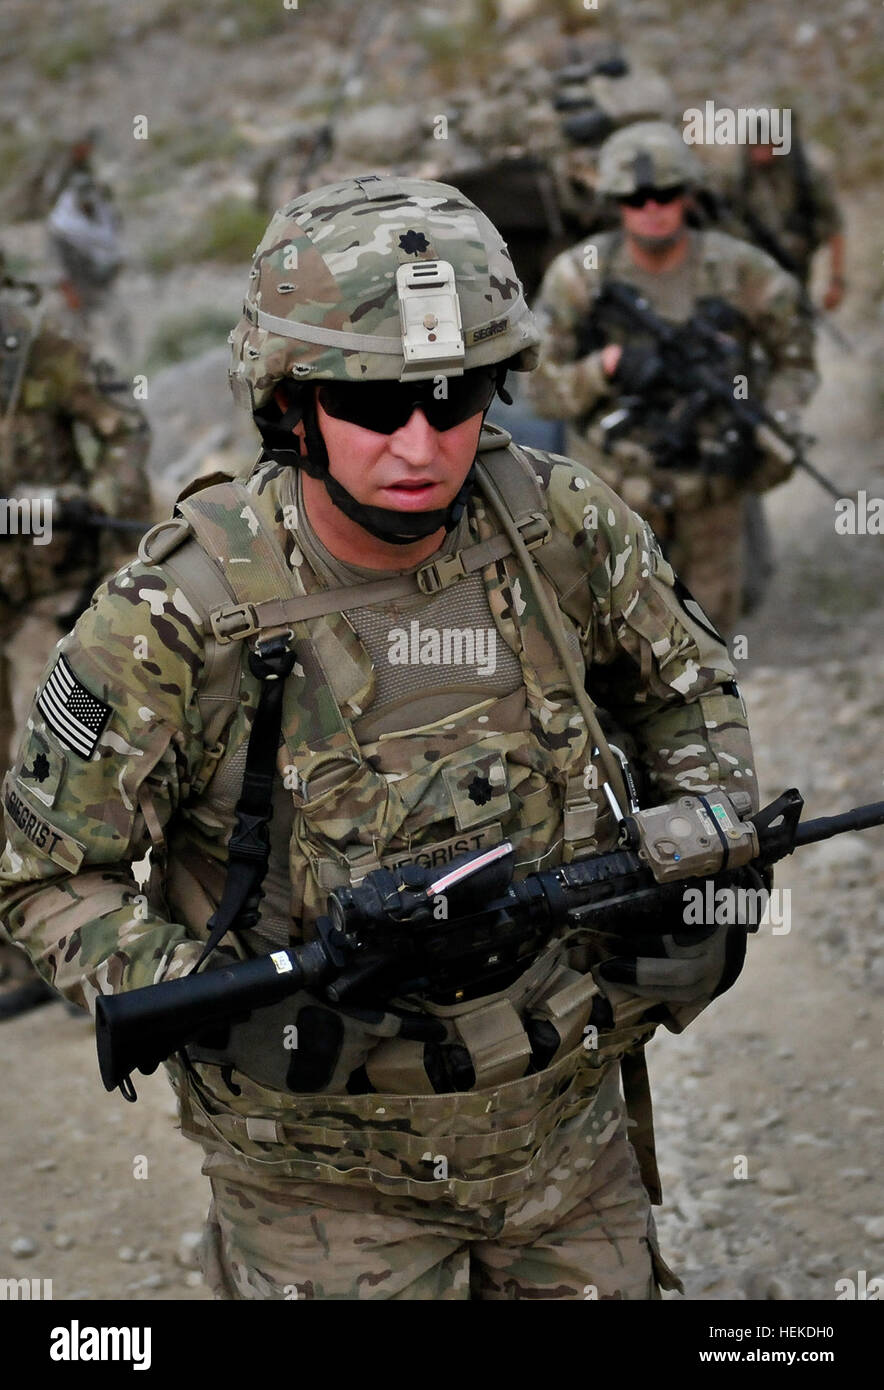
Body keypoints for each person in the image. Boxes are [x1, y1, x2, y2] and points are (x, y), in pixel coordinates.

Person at [0, 176, 759, 1299]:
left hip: (563, 1134)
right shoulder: (176, 613)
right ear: (290, 402)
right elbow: (47, 877)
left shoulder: (558, 521)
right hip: (321, 1178)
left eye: (455, 396)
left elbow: (689, 689)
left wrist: (698, 847)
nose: (422, 441)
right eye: (374, 403)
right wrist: (226, 1001)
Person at [527, 121, 818, 634]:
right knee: (613, 660)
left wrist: (775, 421)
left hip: (711, 498)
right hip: (612, 505)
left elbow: (796, 359)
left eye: (666, 194)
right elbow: (542, 390)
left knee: (710, 659)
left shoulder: (742, 272)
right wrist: (607, 367)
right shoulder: (581, 276)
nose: (653, 208)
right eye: (637, 197)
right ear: (617, 201)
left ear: (687, 195)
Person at [0, 255, 151, 1019]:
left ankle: (80, 955)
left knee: (43, 766)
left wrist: (92, 501)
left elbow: (124, 425)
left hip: (47, 592)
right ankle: (19, 956)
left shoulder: (39, 349)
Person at [720, 115, 846, 310]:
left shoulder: (807, 173)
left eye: (765, 144)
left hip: (795, 265)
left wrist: (836, 282)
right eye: (754, 145)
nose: (759, 152)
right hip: (747, 269)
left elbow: (834, 226)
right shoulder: (737, 175)